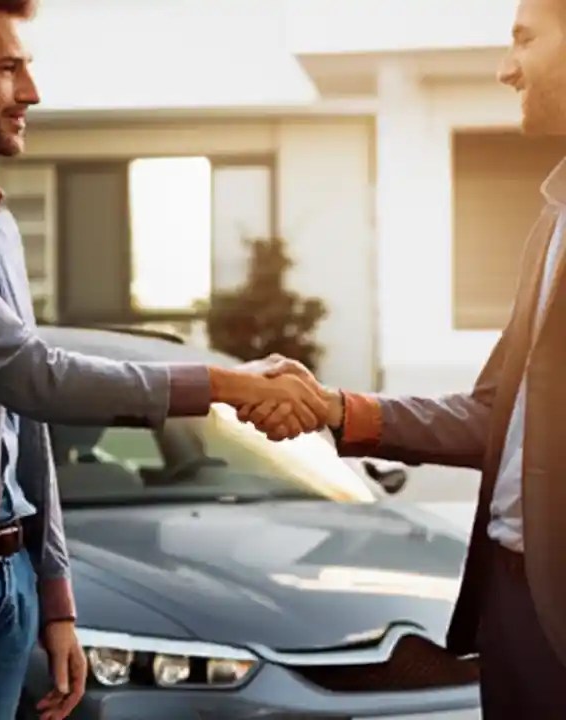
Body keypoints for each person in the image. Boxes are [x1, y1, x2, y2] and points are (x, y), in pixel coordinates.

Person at [0, 1, 329, 718]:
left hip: (11, 585)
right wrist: (226, 385)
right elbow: (35, 376)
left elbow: (27, 425)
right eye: (9, 69)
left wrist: (55, 598)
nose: (31, 93)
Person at [242, 0, 566, 715]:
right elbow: (492, 417)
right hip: (514, 603)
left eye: (524, 40)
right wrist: (335, 409)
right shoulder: (552, 222)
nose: (506, 69)